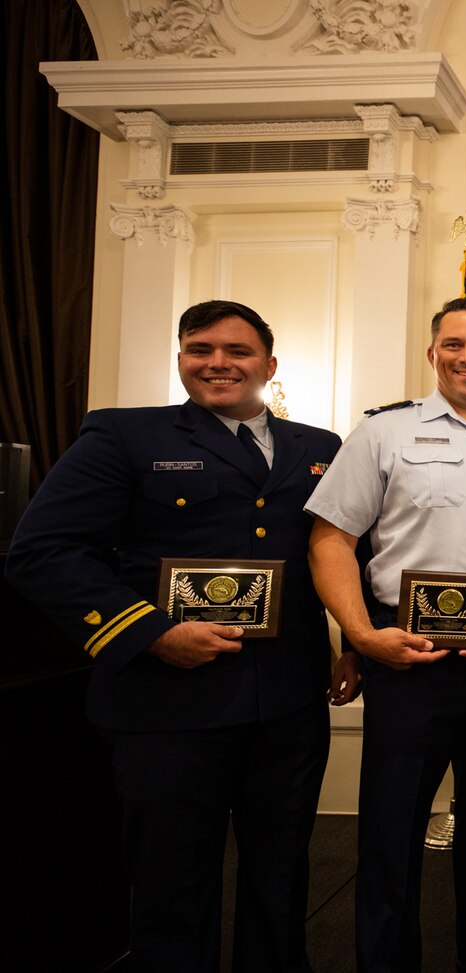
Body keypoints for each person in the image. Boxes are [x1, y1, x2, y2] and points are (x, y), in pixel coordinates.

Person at [6, 300, 342, 972]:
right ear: (182, 359)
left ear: (268, 364)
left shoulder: (320, 449)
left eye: (237, 351)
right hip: (166, 704)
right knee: (170, 886)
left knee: (280, 877)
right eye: (200, 349)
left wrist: (349, 639)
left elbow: (330, 556)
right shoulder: (124, 437)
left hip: (285, 705)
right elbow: (40, 551)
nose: (218, 363)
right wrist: (153, 634)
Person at [306, 297, 466, 973]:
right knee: (392, 829)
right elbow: (332, 540)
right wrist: (359, 634)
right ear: (433, 352)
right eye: (453, 344)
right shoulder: (384, 433)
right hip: (407, 659)